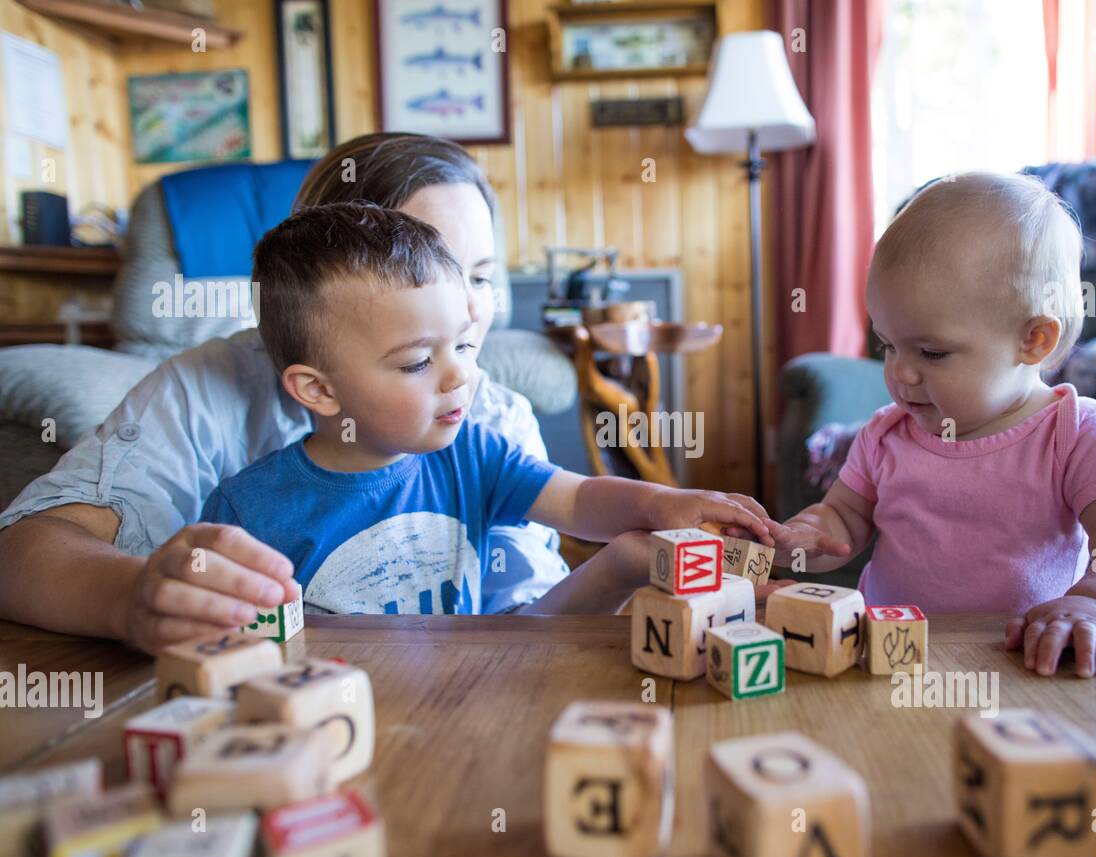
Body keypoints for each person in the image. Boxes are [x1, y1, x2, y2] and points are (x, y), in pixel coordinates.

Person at [0, 134, 720, 651]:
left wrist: (625, 559)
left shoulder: (487, 418)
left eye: (479, 275)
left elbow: (525, 627)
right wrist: (130, 598)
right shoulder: (206, 393)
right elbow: (24, 553)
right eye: (428, 272)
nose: (467, 313)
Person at [198, 201, 771, 618]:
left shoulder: (474, 451)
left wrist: (664, 503)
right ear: (319, 391)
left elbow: (574, 498)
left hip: (467, 702)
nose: (461, 376)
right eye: (418, 362)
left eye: (465, 346)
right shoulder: (246, 512)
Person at [769, 172, 1096, 678]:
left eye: (932, 352)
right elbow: (844, 524)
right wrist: (809, 536)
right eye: (888, 345)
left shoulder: (1078, 435)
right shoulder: (884, 435)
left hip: (1030, 670)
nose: (900, 372)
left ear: (1033, 341)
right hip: (891, 665)